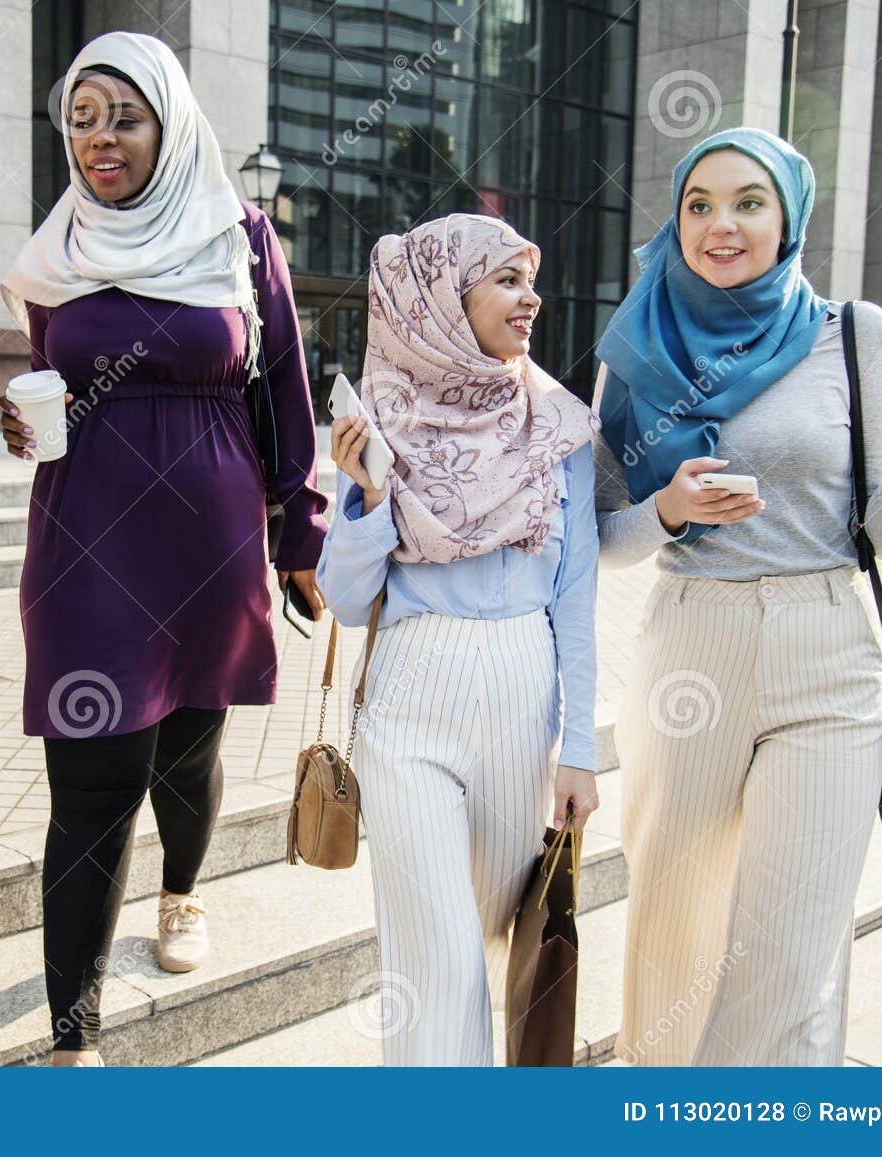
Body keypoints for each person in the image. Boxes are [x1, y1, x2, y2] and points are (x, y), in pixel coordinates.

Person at [593, 127, 882, 1066]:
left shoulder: (858, 335)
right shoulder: (635, 346)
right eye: (700, 204)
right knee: (674, 924)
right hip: (692, 643)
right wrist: (672, 513)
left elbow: (880, 533)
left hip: (827, 645)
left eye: (749, 202)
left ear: (790, 216)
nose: (722, 224)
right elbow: (600, 538)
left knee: (791, 946)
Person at [0, 31, 328, 1067]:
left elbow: (281, 385)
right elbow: (40, 378)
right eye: (80, 119)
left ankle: (181, 893)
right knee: (92, 784)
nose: (99, 139)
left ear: (170, 123)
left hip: (211, 542)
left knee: (189, 752)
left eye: (123, 116)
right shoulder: (54, 253)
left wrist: (300, 530)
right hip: (84, 544)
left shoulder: (238, 236)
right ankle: (71, 1042)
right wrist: (18, 421)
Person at [314, 214, 600, 1066]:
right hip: (407, 703)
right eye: (506, 278)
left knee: (491, 946)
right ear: (441, 297)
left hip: (521, 700)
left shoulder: (557, 424)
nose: (531, 296)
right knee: (435, 965)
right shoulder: (379, 419)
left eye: (531, 276)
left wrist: (579, 745)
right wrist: (365, 497)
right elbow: (344, 599)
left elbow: (577, 595)